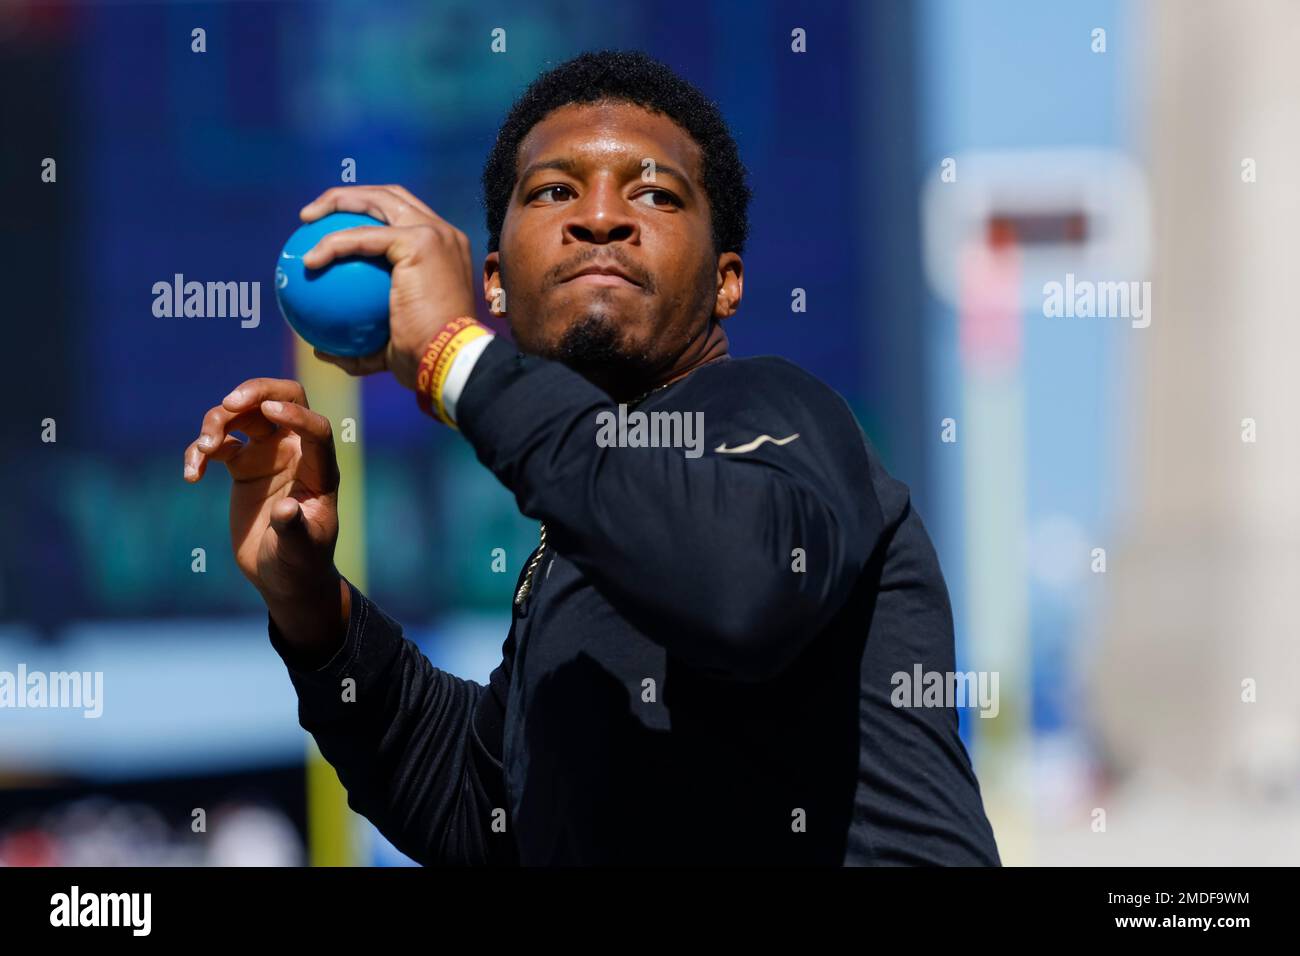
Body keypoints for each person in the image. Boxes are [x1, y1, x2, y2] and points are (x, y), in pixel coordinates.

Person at [182, 50, 1000, 866]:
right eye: (553, 191)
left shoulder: (778, 414)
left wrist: (454, 356)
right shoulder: (581, 543)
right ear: (495, 281)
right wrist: (312, 607)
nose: (601, 217)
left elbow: (741, 587)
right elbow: (481, 809)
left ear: (728, 283)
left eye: (653, 193)